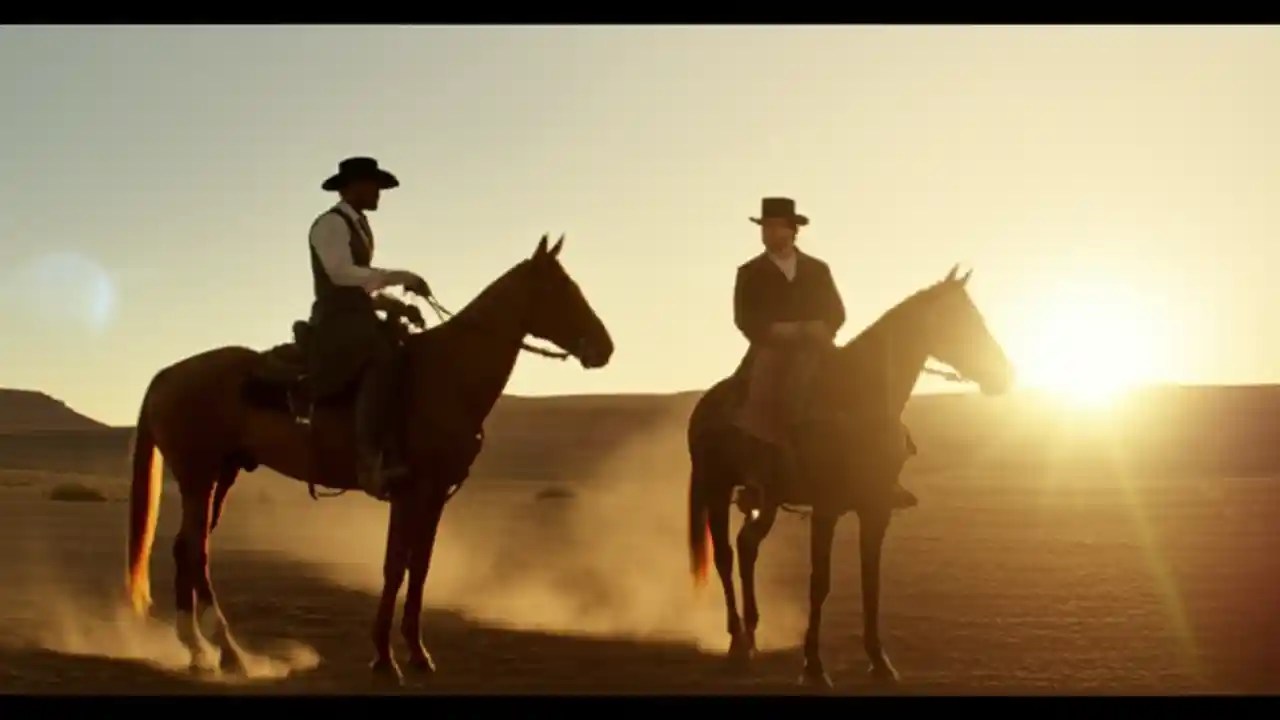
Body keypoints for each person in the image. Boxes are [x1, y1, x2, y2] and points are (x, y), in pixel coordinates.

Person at [731, 196, 917, 510]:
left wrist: (821, 328)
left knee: (866, 387)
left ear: (791, 230)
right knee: (759, 398)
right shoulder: (749, 272)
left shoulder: (817, 269)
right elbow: (745, 318)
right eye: (765, 228)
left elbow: (837, 312)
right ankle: (757, 480)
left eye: (775, 227)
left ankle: (884, 473)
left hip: (817, 347)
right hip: (772, 349)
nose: (768, 234)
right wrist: (781, 331)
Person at [307, 156, 430, 500]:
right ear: (352, 188)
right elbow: (341, 274)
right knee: (381, 359)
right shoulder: (329, 225)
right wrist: (399, 277)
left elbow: (360, 285)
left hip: (355, 314)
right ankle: (368, 458)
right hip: (336, 320)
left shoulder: (359, 225)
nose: (378, 193)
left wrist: (394, 303)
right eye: (373, 186)